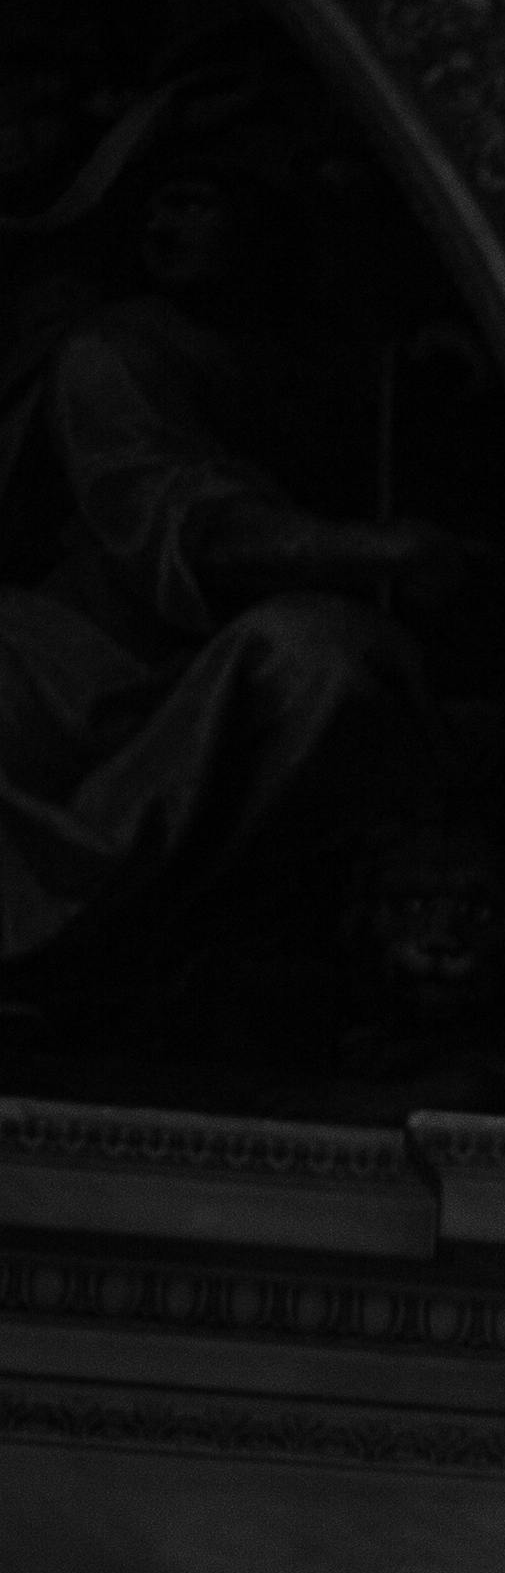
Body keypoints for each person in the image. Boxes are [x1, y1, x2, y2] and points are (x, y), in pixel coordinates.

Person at [0, 119, 462, 968]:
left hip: (223, 669)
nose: (161, 229)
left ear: (261, 215)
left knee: (332, 659)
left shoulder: (327, 362)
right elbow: (181, 523)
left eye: (192, 203)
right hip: (73, 668)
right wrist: (376, 551)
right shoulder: (115, 348)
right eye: (153, 209)